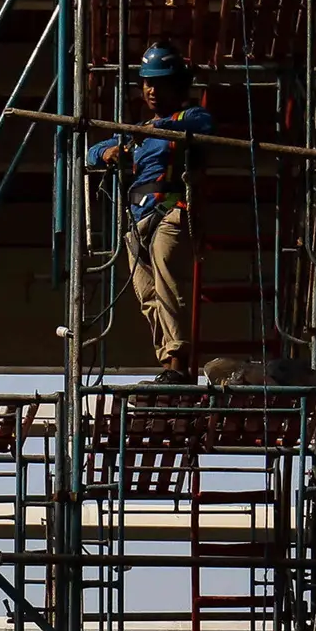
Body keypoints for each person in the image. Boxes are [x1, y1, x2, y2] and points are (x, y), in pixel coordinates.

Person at [87, 43, 216, 384]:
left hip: (172, 211)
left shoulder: (189, 118)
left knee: (168, 284)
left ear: (178, 86)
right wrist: (110, 151)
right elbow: (92, 151)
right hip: (138, 219)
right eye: (147, 83)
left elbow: (202, 127)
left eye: (159, 83)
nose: (151, 90)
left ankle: (178, 363)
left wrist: (137, 137)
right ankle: (167, 361)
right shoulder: (138, 132)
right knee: (148, 295)